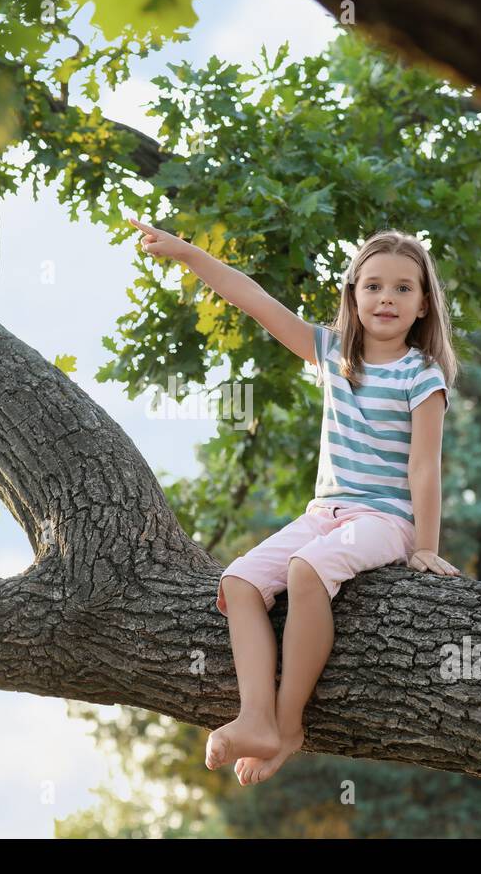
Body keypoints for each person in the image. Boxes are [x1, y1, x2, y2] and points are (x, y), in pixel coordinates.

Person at [128, 218, 461, 785]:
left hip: (385, 519)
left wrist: (425, 546)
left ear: (424, 304)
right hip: (323, 513)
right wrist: (187, 253)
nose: (387, 298)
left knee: (308, 571)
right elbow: (254, 299)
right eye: (373, 285)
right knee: (238, 583)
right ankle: (255, 715)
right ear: (352, 296)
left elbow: (424, 466)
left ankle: (287, 725)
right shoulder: (331, 352)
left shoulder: (421, 373)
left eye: (403, 288)